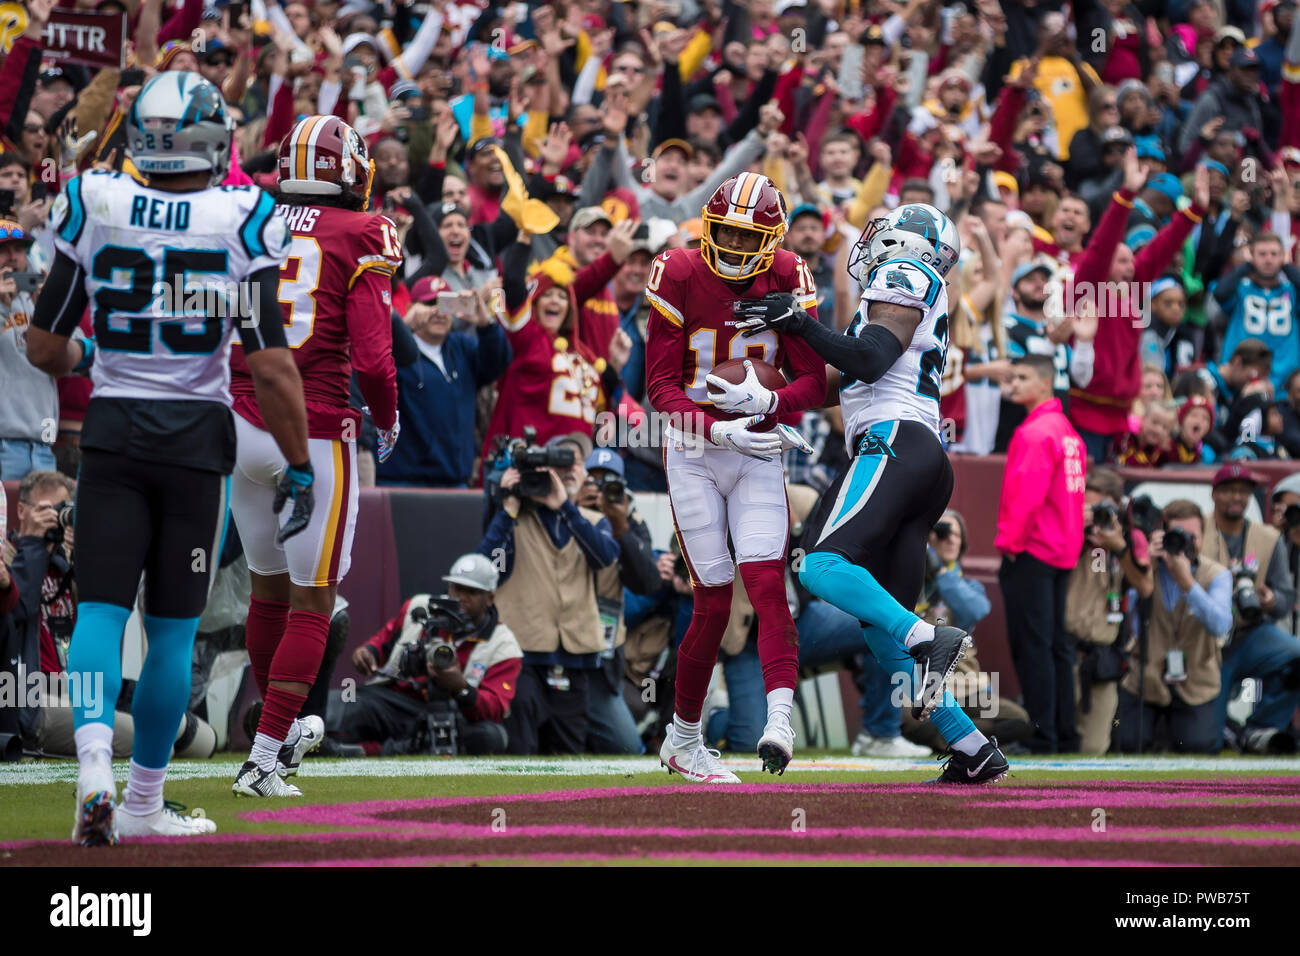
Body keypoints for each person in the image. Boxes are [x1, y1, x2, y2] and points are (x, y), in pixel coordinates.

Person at [25, 73, 312, 844]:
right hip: (194, 439)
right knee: (173, 631)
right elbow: (271, 362)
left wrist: (94, 352)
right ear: (214, 141)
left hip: (113, 429)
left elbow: (45, 346)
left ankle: (92, 767)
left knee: (99, 611)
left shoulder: (97, 201)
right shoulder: (242, 215)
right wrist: (301, 461)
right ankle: (144, 802)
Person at [740, 202, 1009, 784]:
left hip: (893, 441)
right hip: (917, 452)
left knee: (818, 564)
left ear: (901, 242)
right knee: (880, 627)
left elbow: (871, 355)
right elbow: (842, 380)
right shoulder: (917, 289)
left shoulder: (903, 273)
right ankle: (972, 749)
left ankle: (930, 636)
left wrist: (801, 324)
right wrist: (767, 398)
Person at [227, 115, 401, 798]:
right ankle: (264, 757)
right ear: (352, 172)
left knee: (267, 592)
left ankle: (279, 734)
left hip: (238, 419)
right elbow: (378, 361)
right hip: (315, 426)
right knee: (313, 600)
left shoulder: (257, 214)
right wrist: (385, 421)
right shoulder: (363, 231)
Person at [643, 172, 824, 782]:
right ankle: (683, 741)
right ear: (706, 228)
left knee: (768, 584)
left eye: (752, 238)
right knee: (714, 602)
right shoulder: (678, 270)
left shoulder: (790, 274)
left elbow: (815, 383)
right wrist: (716, 429)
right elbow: (660, 387)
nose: (739, 250)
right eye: (726, 235)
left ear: (774, 239)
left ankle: (779, 723)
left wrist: (767, 405)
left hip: (759, 448)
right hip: (695, 447)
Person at [478, 432, 620, 755]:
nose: (570, 469)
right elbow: (486, 567)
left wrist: (566, 508)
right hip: (522, 656)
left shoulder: (594, 520)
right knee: (520, 753)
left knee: (568, 759)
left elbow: (605, 558)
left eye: (576, 463)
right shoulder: (514, 516)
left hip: (576, 658)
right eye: (561, 461)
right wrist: (505, 508)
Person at [336, 553, 521, 755]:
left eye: (471, 592)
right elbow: (381, 643)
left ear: (490, 598)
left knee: (491, 736)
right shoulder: (419, 608)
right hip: (399, 704)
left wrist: (460, 688)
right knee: (345, 706)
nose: (461, 598)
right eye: (457, 588)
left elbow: (494, 708)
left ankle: (372, 750)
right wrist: (367, 653)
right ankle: (402, 748)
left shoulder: (504, 644)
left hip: (454, 714)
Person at [995, 354, 1088, 754]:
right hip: (1062, 553)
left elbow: (1025, 499)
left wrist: (1011, 547)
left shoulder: (1035, 433)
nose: (1012, 384)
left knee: (1033, 645)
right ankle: (1064, 733)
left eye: (1022, 377)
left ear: (1046, 383)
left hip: (1032, 552)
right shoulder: (1068, 433)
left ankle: (1041, 734)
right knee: (1056, 646)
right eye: (1012, 377)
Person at [1116, 500, 1233, 753]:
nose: (1186, 543)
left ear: (1203, 537)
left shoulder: (1218, 574)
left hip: (1196, 682)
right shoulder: (1147, 568)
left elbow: (1221, 625)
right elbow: (1131, 622)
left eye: (1193, 536)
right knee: (1126, 742)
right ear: (1162, 536)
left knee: (1198, 746)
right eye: (1177, 536)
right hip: (1146, 678)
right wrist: (1145, 562)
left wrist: (1188, 583)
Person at [1200, 464, 1300, 752]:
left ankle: (1259, 729)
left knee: (1295, 655)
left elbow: (1284, 595)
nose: (1237, 497)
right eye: (1230, 490)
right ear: (1214, 494)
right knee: (1208, 743)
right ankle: (1228, 730)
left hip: (1249, 634)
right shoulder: (1200, 531)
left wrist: (1271, 601)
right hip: (1206, 643)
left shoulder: (1268, 537)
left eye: (1243, 492)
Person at [378, 273, 510, 488]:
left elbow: (499, 362)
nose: (439, 311)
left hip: (455, 481)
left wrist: (486, 325)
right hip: (403, 481)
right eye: (430, 303)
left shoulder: (461, 347)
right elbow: (371, 364)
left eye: (445, 303)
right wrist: (402, 327)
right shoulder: (395, 350)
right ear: (412, 307)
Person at [1068, 468, 1154, 754]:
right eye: (1088, 507)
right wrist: (1078, 529)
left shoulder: (1130, 537)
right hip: (1066, 651)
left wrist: (1119, 547)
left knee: (1093, 748)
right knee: (1061, 740)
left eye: (1101, 508)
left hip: (1104, 656)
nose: (1095, 515)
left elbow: (1145, 587)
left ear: (1117, 505)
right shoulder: (1068, 529)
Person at [0, 219, 58, 482]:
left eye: (20, 249)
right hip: (3, 445)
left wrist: (50, 314)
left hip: (43, 444)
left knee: (44, 522)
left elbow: (76, 357)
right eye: (3, 250)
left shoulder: (41, 296)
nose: (12, 257)